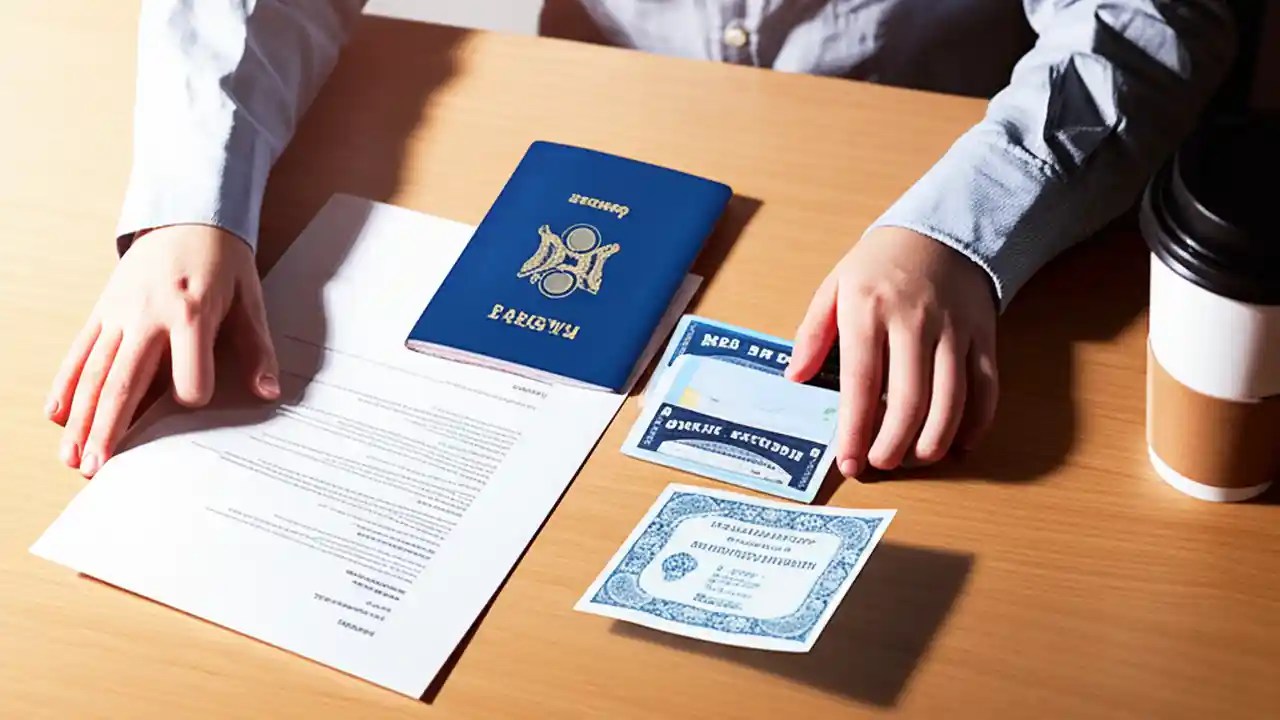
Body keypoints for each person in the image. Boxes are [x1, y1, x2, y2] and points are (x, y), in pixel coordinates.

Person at [46, 0, 1235, 479]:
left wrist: (961, 233)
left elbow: (1141, 18)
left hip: (924, 193)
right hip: (620, 163)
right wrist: (192, 201)